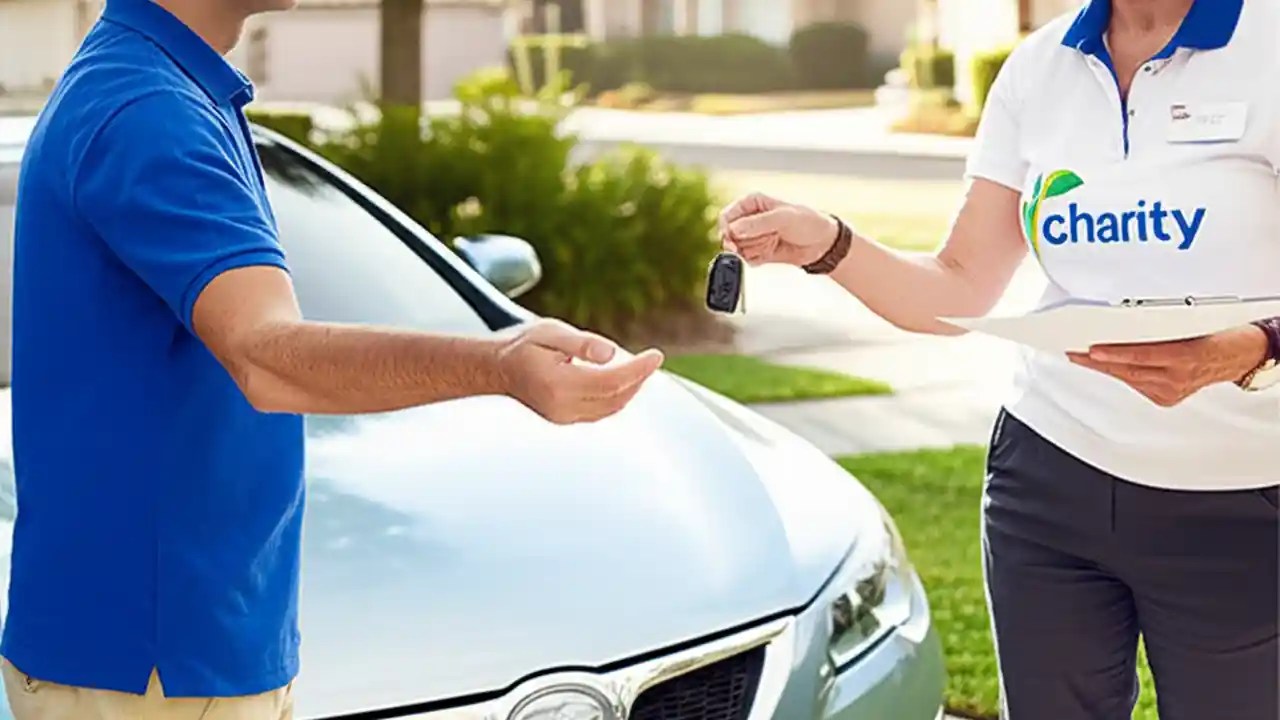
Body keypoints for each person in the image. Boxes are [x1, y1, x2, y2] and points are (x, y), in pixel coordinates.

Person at [1, 0, 664, 717]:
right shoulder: (147, 113)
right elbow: (269, 356)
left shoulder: (163, 86)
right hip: (153, 666)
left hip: (184, 653)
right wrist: (500, 364)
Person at [721, 1, 1278, 718]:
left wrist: (1248, 350)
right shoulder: (1038, 68)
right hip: (1051, 481)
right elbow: (957, 285)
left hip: (1240, 495)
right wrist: (829, 245)